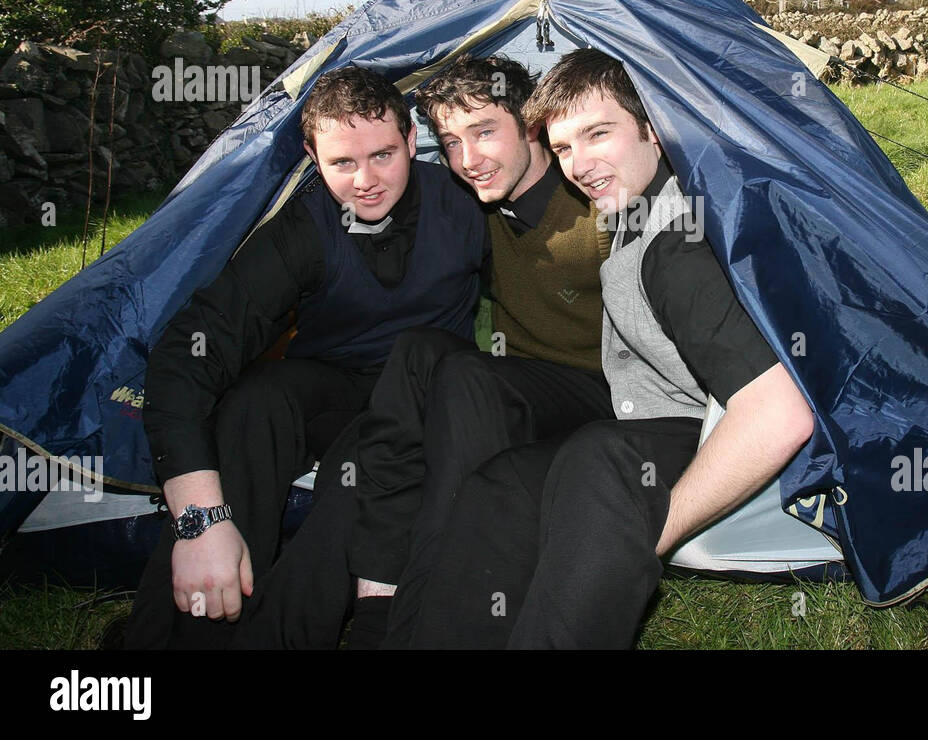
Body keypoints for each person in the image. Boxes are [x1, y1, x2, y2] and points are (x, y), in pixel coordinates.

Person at [384, 48, 815, 649]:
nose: (579, 164)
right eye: (563, 147)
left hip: (698, 434)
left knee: (599, 458)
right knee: (503, 483)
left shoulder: (677, 247)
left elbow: (779, 415)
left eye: (598, 134)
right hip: (642, 419)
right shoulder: (630, 211)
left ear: (653, 127)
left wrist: (652, 529)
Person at [231, 54, 613, 648]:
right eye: (451, 141)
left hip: (596, 396)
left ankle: (397, 619)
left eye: (485, 132)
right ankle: (316, 619)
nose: (467, 160)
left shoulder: (600, 204)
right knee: (393, 418)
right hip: (513, 389)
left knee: (454, 380)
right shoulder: (476, 205)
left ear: (532, 125)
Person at [124, 64, 486, 649]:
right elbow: (190, 351)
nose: (366, 180)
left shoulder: (466, 206)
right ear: (312, 158)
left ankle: (275, 632)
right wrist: (198, 521)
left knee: (366, 459)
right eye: (343, 162)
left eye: (384, 156)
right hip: (334, 388)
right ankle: (168, 636)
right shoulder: (303, 228)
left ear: (413, 141)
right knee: (254, 402)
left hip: (420, 402)